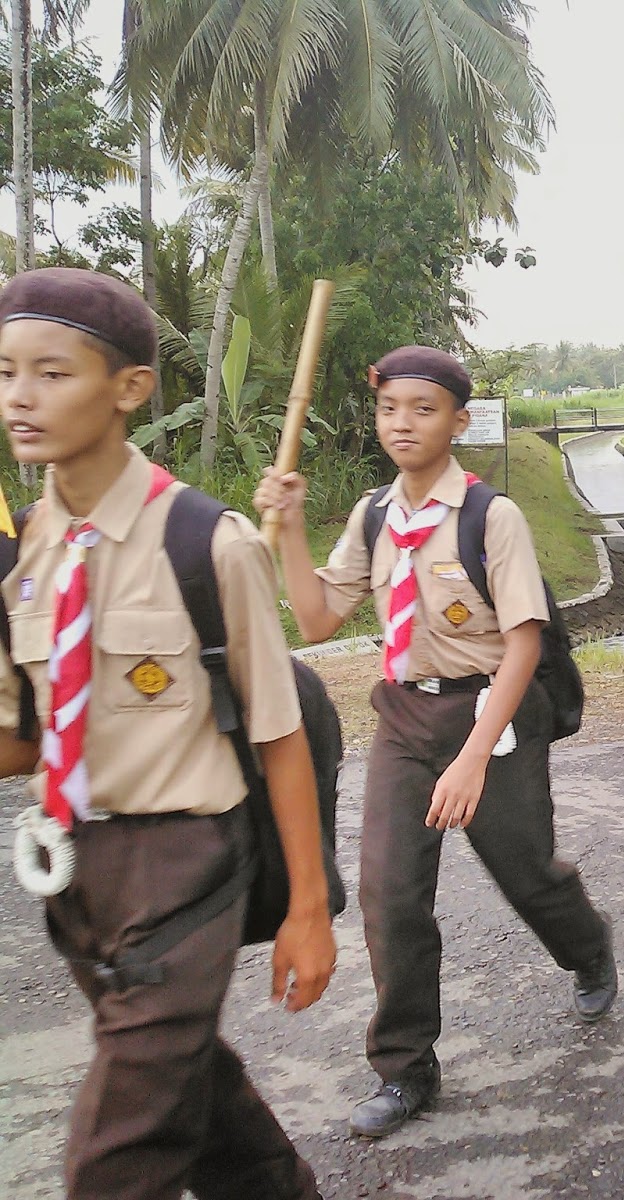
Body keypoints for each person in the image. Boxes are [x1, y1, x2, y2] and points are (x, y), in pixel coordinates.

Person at [0, 267, 335, 1200]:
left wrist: (308, 910)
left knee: (118, 1155)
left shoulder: (205, 543)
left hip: (186, 863)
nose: (21, 397)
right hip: (76, 870)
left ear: (130, 388)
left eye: (53, 373)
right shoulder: (22, 555)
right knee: (198, 1096)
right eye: (5, 372)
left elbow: (279, 735)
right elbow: (25, 739)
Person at [254, 346, 616, 1139]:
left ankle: (588, 947)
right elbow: (314, 619)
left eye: (423, 409)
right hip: (404, 719)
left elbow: (523, 644)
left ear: (458, 420)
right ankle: (405, 1066)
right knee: (390, 895)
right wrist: (289, 529)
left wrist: (474, 757)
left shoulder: (491, 516)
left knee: (526, 873)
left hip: (494, 715)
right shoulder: (374, 515)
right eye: (390, 409)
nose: (403, 423)